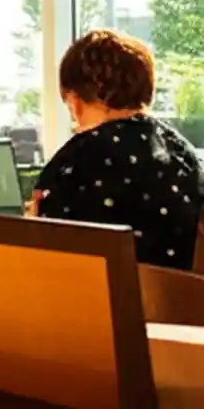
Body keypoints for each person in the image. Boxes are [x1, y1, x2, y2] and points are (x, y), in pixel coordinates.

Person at [33, 29, 203, 270]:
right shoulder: (184, 154)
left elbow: (45, 251)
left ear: (75, 102)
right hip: (180, 302)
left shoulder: (77, 158)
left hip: (100, 302)